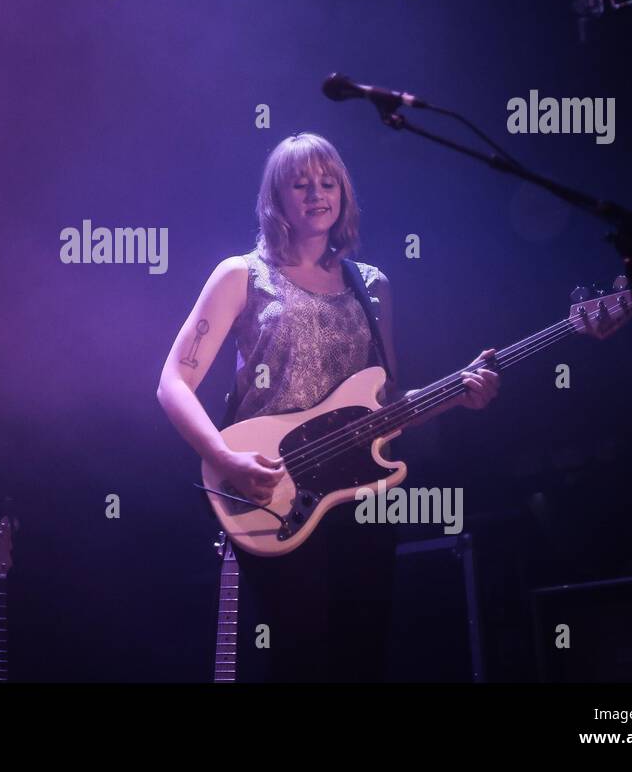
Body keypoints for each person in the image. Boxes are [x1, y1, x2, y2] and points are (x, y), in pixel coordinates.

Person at [156, 132, 500, 681]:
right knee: (303, 655)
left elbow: (384, 407)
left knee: (361, 657)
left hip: (359, 494)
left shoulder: (373, 285)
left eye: (328, 181)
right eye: (301, 183)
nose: (317, 193)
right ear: (277, 199)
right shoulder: (242, 274)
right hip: (271, 487)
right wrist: (225, 459)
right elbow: (173, 381)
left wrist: (459, 393)